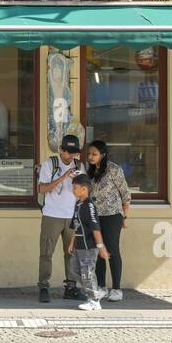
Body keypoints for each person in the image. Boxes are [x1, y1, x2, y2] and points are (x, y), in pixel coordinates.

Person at [35, 133, 85, 303]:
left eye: (74, 152)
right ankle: (43, 286)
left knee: (71, 253)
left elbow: (83, 191)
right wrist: (64, 177)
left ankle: (71, 287)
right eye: (68, 151)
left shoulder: (79, 165)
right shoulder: (50, 164)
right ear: (61, 150)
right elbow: (42, 189)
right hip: (52, 215)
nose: (71, 155)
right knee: (46, 253)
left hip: (72, 215)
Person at [87, 139, 131, 301]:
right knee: (99, 250)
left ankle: (117, 289)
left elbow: (125, 194)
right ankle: (101, 287)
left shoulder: (113, 169)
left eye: (94, 154)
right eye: (89, 154)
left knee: (112, 250)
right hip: (95, 216)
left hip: (113, 215)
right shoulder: (90, 171)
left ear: (103, 155)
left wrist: (124, 216)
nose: (91, 157)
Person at [67, 173, 109, 311]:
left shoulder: (89, 206)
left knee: (87, 273)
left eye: (75, 187)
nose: (73, 190)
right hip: (78, 246)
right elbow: (75, 225)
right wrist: (72, 242)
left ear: (84, 189)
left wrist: (100, 246)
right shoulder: (78, 203)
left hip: (88, 247)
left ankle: (94, 300)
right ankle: (94, 292)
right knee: (74, 269)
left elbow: (95, 228)